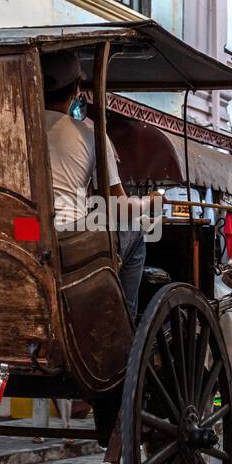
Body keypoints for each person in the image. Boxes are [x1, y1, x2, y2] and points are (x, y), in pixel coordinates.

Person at [40, 49, 147, 321]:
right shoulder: (90, 133)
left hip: (22, 230)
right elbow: (118, 206)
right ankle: (125, 321)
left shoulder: (13, 126)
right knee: (134, 229)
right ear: (77, 89)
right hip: (67, 234)